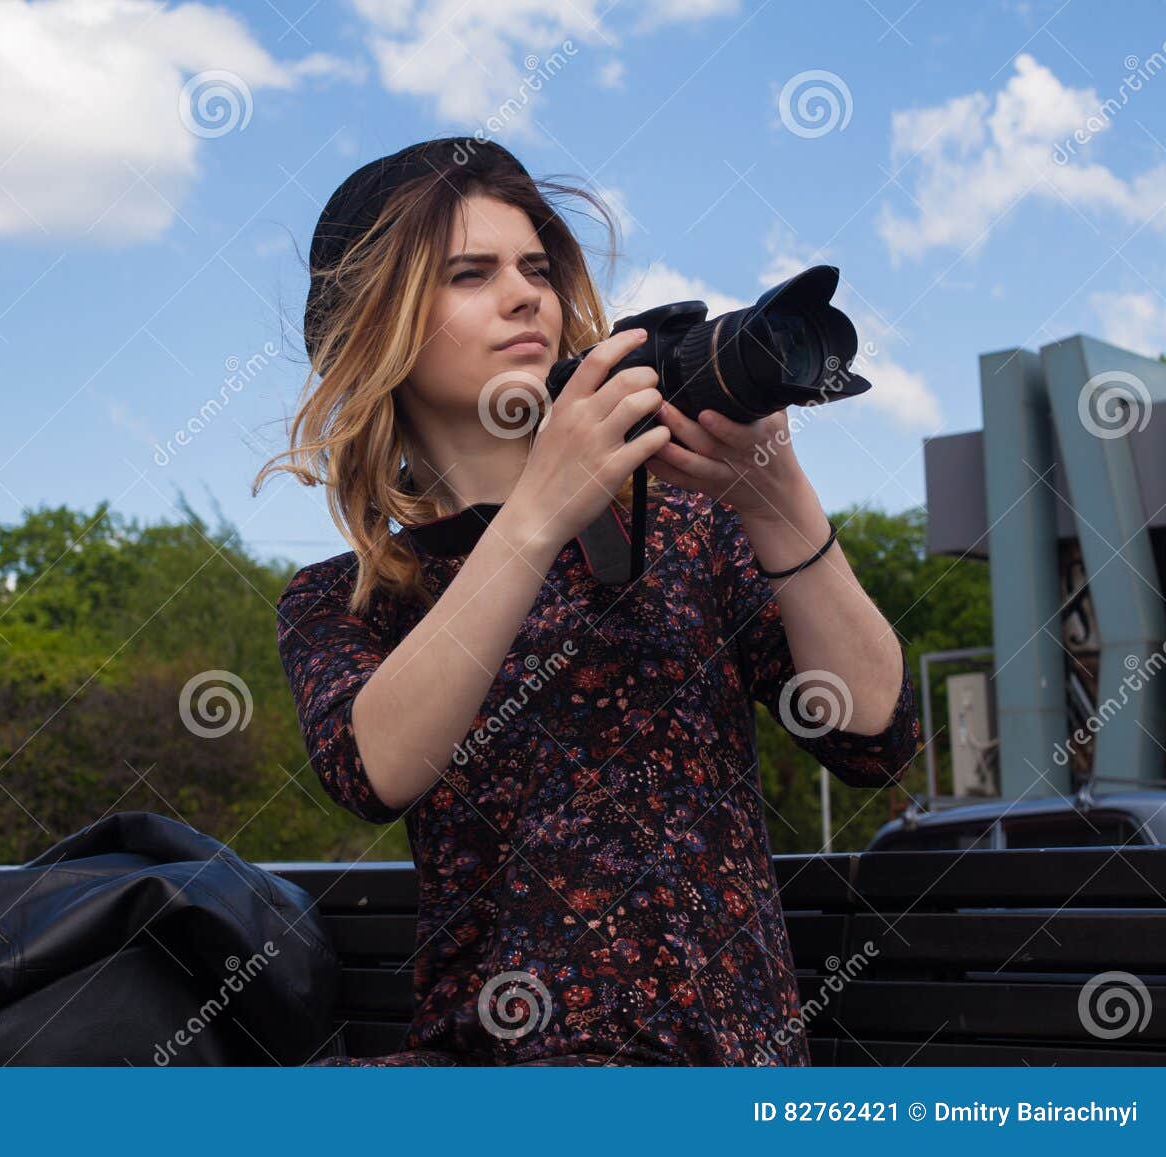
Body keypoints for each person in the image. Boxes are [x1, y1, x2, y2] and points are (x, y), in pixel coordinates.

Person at [253, 136, 920, 1066]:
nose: (525, 294)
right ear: (376, 328)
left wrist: (781, 504)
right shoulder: (347, 598)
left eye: (535, 266)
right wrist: (536, 516)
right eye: (469, 274)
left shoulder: (684, 529)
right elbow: (376, 769)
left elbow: (873, 736)